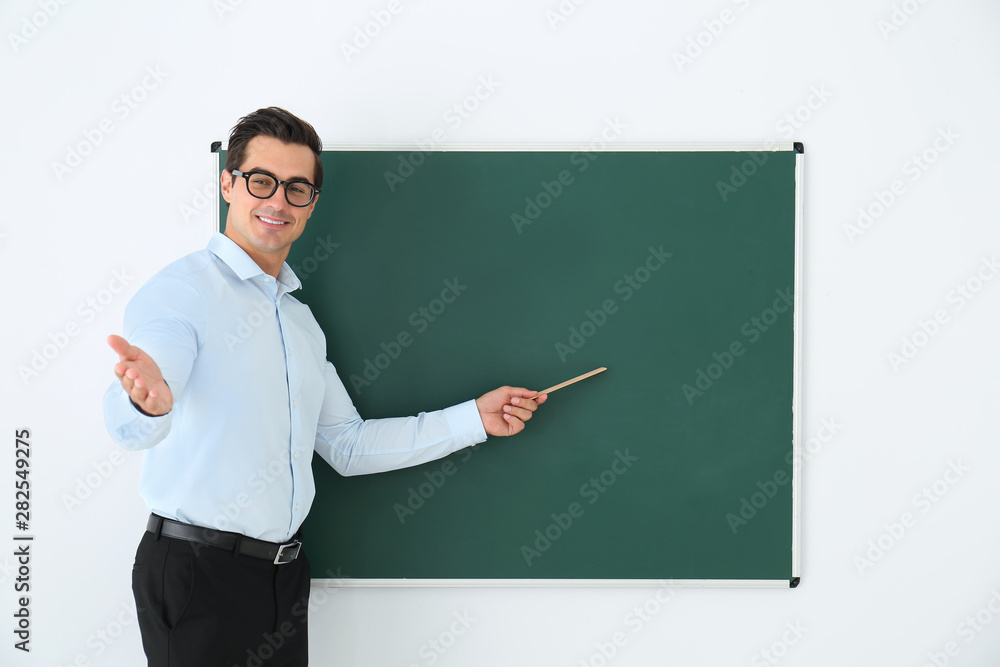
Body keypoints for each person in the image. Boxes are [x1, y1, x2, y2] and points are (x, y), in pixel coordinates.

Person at [103, 106, 547, 667]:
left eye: (297, 189)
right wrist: (147, 406)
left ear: (311, 204)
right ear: (227, 183)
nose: (277, 202)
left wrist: (473, 420)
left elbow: (348, 445)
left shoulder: (300, 324)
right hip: (198, 575)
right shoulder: (182, 293)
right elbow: (133, 410)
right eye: (260, 181)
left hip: (282, 578)